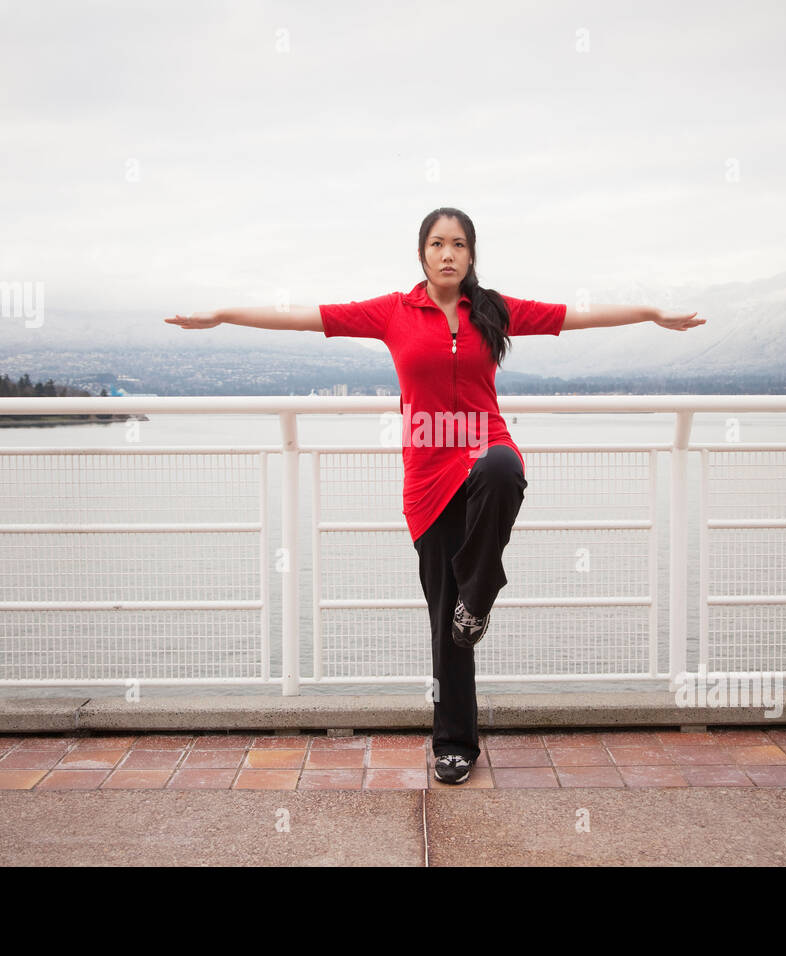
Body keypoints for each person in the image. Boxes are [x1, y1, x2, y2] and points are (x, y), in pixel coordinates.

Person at [166, 207, 705, 784]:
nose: (448, 254)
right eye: (436, 244)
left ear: (472, 254)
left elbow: (577, 316)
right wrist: (222, 314)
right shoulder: (392, 312)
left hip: (482, 452)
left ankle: (480, 590)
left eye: (459, 245)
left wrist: (650, 313)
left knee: (503, 470)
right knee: (446, 619)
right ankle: (454, 742)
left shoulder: (493, 310)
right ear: (421, 253)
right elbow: (302, 317)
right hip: (427, 475)